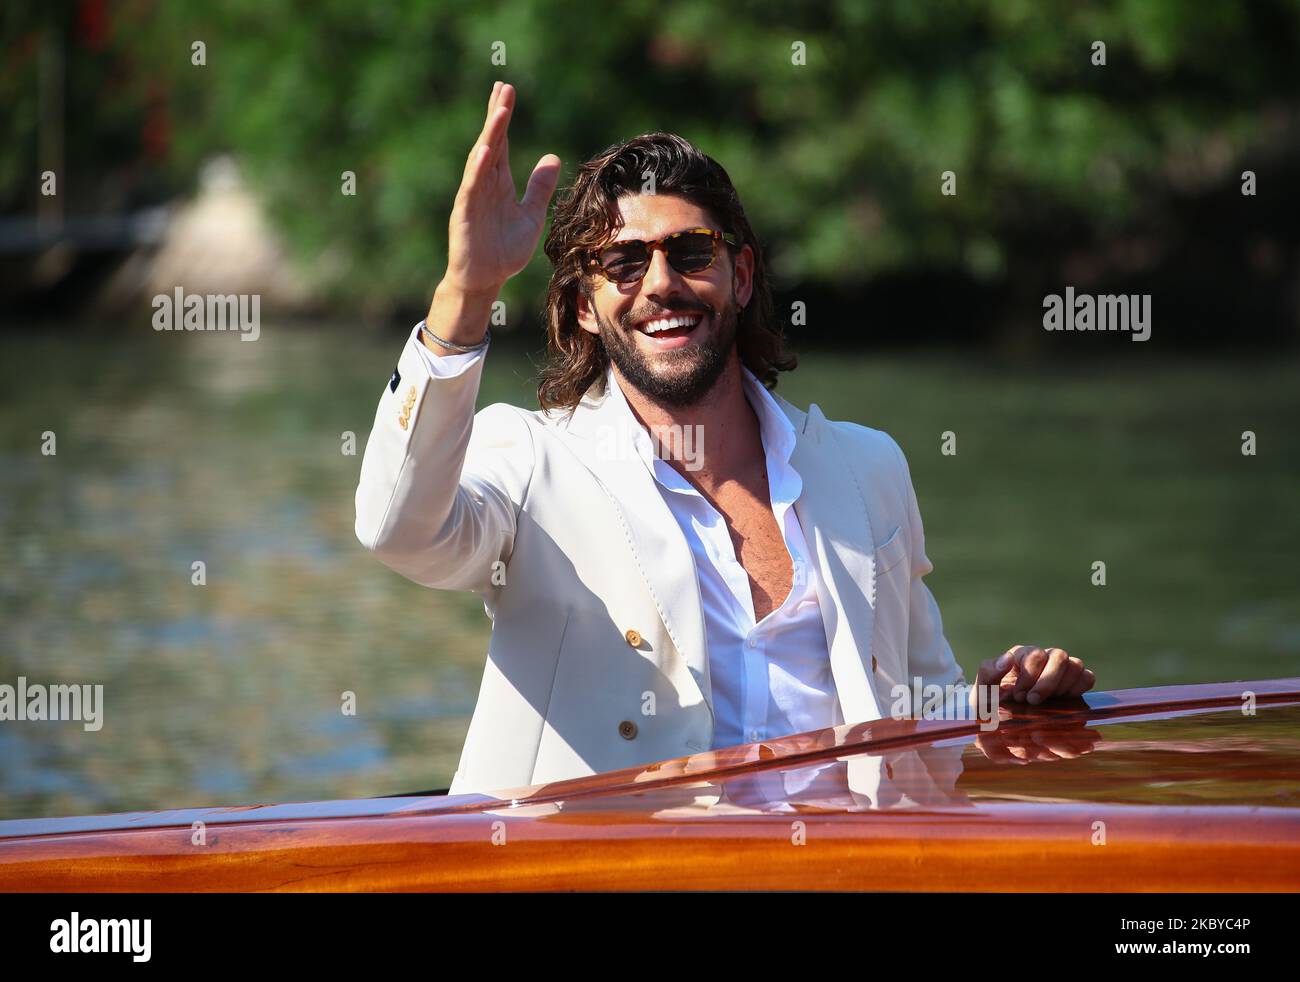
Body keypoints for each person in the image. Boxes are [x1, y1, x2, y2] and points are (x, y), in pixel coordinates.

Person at [354, 82, 1096, 797]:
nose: (659, 284)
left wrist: (997, 708)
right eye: (623, 262)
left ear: (740, 276)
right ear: (585, 306)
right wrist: (467, 293)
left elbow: (918, 731)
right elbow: (399, 530)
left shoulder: (866, 468)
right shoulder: (530, 462)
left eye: (691, 252)